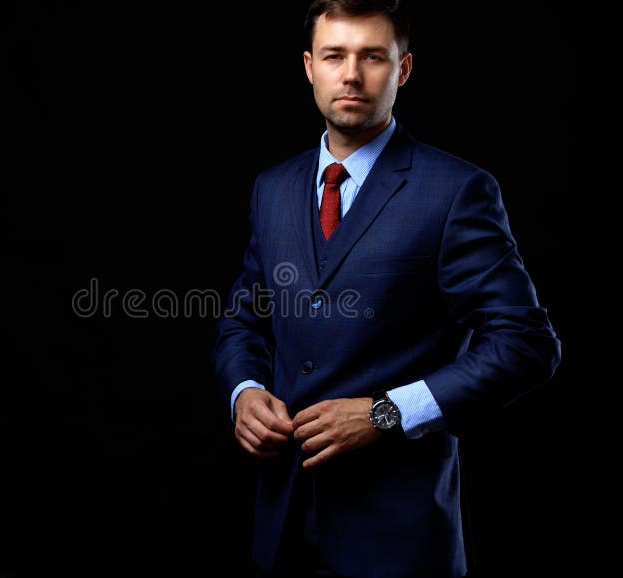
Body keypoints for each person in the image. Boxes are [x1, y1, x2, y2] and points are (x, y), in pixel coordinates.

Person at [212, 1, 561, 577]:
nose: (351, 74)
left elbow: (525, 343)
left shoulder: (456, 191)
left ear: (402, 70)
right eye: (334, 55)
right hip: (282, 523)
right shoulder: (272, 188)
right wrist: (244, 390)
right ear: (309, 66)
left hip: (398, 537)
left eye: (372, 56)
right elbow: (243, 319)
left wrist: (386, 414)